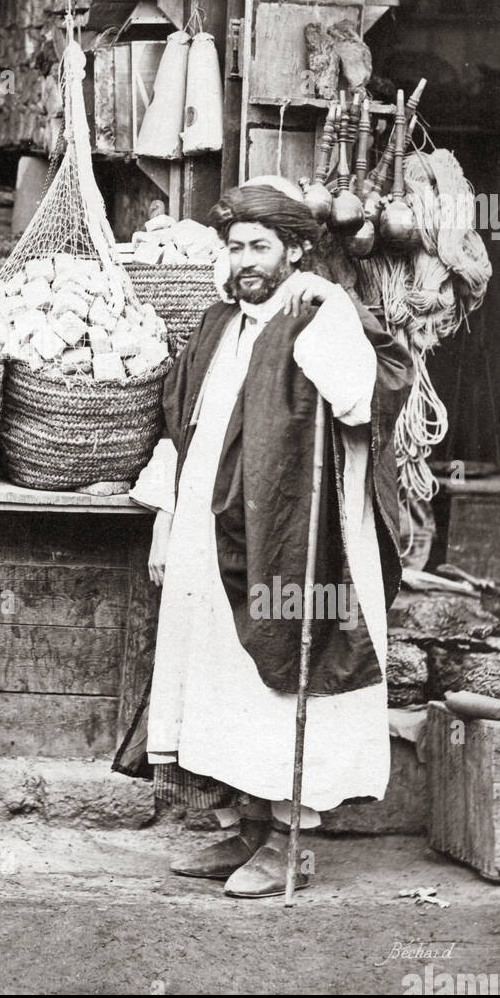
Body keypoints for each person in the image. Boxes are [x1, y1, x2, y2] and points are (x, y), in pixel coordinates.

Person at [114, 177, 413, 898]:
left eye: (258, 247)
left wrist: (329, 332)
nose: (243, 260)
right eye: (233, 247)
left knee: (286, 675)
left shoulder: (319, 310)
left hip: (294, 537)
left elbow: (361, 397)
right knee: (226, 680)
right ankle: (247, 827)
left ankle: (289, 840)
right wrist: (164, 517)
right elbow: (178, 424)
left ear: (295, 250)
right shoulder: (222, 321)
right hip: (210, 534)